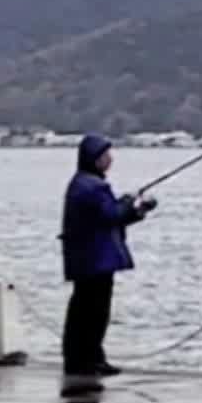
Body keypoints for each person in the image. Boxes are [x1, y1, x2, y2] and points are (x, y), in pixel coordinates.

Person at [60, 137, 157, 378]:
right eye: (105, 155)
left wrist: (134, 208)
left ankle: (84, 359)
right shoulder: (94, 187)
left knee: (83, 310)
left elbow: (108, 216)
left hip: (87, 258)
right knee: (94, 312)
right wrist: (132, 204)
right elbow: (111, 215)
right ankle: (87, 360)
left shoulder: (83, 183)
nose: (110, 159)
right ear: (95, 159)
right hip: (96, 259)